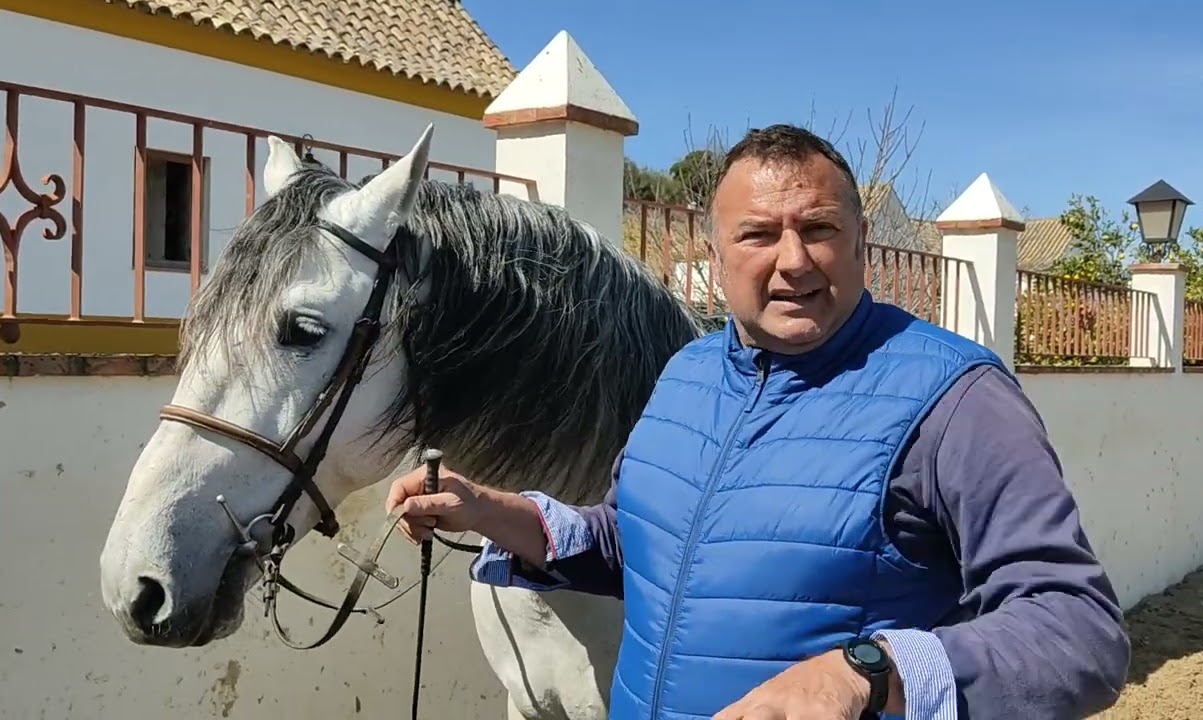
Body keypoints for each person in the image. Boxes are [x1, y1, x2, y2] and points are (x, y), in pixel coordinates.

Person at [385, 124, 1130, 719]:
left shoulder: (956, 396)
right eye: (758, 235)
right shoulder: (688, 373)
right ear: (715, 253)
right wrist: (493, 512)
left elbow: (1079, 631)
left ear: (862, 241)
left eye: (819, 228)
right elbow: (639, 544)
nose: (794, 260)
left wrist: (868, 671)